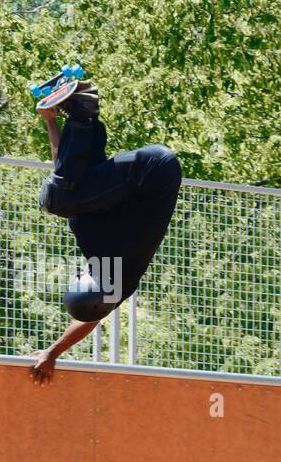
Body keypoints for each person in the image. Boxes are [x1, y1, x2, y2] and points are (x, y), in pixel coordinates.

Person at [28, 69, 182, 384]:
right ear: (88, 277)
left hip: (153, 173)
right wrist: (50, 121)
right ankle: (82, 109)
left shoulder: (118, 282)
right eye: (79, 274)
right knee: (53, 201)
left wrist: (51, 120)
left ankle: (79, 106)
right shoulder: (95, 240)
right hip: (148, 172)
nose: (78, 269)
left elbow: (64, 168)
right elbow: (59, 174)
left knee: (73, 185)